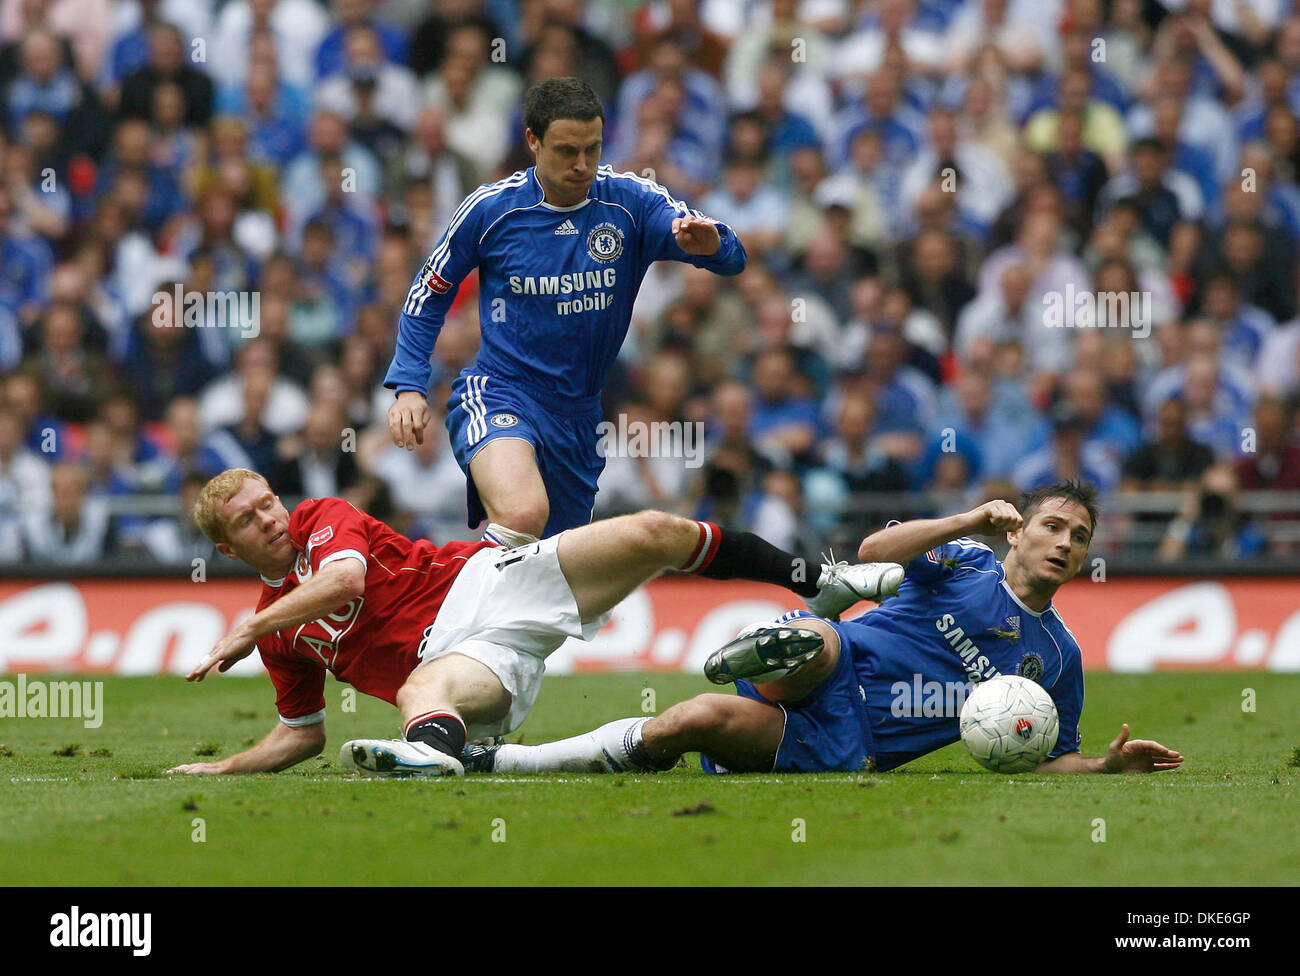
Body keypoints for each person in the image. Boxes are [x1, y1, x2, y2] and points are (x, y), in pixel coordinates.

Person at [165, 468, 904, 777]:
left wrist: (249, 629)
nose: (270, 520)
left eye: (266, 503)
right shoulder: (279, 635)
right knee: (424, 689)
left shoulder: (322, 519)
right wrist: (224, 767)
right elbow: (303, 731)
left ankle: (821, 579)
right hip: (465, 664)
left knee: (653, 531)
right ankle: (435, 753)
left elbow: (345, 580)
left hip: (489, 584)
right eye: (249, 522)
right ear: (227, 549)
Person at [465, 482, 1185, 777]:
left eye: (1079, 536)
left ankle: (503, 763)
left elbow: (1050, 756)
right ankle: (784, 642)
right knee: (821, 640)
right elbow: (874, 553)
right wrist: (969, 516)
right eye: (1052, 526)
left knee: (686, 722)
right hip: (826, 669)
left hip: (845, 742)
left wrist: (1103, 768)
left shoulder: (1055, 659)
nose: (1064, 543)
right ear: (1018, 532)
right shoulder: (965, 561)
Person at [383, 76, 747, 549]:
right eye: (566, 151)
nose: (582, 165)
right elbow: (428, 293)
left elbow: (731, 255)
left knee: (554, 576)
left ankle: (477, 616)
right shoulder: (492, 211)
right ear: (533, 141)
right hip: (501, 393)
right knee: (522, 514)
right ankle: (447, 611)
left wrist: (713, 243)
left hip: (578, 419)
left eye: (592, 150)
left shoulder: (631, 202)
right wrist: (409, 386)